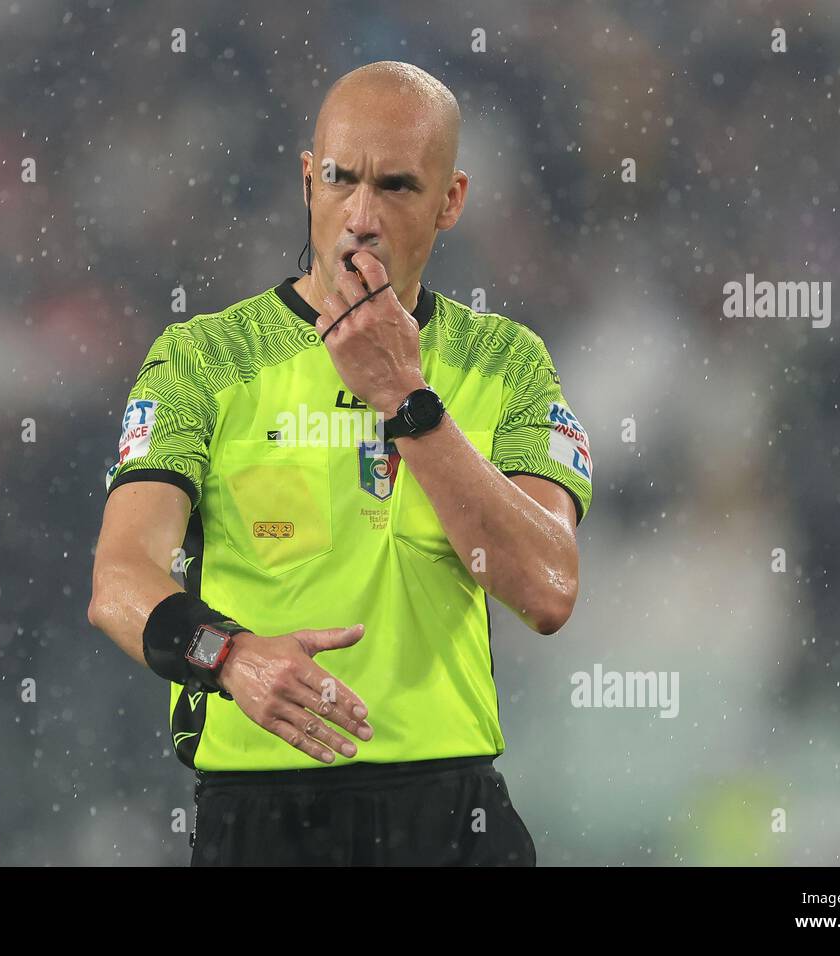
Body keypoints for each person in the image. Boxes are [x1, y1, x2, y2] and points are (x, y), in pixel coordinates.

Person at [87, 61, 593, 866]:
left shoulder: (505, 362)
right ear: (306, 180)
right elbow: (118, 581)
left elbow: (547, 588)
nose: (360, 214)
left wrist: (406, 398)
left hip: (450, 816)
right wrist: (230, 656)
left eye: (396, 186)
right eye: (340, 179)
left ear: (450, 201)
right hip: (260, 821)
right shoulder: (205, 359)